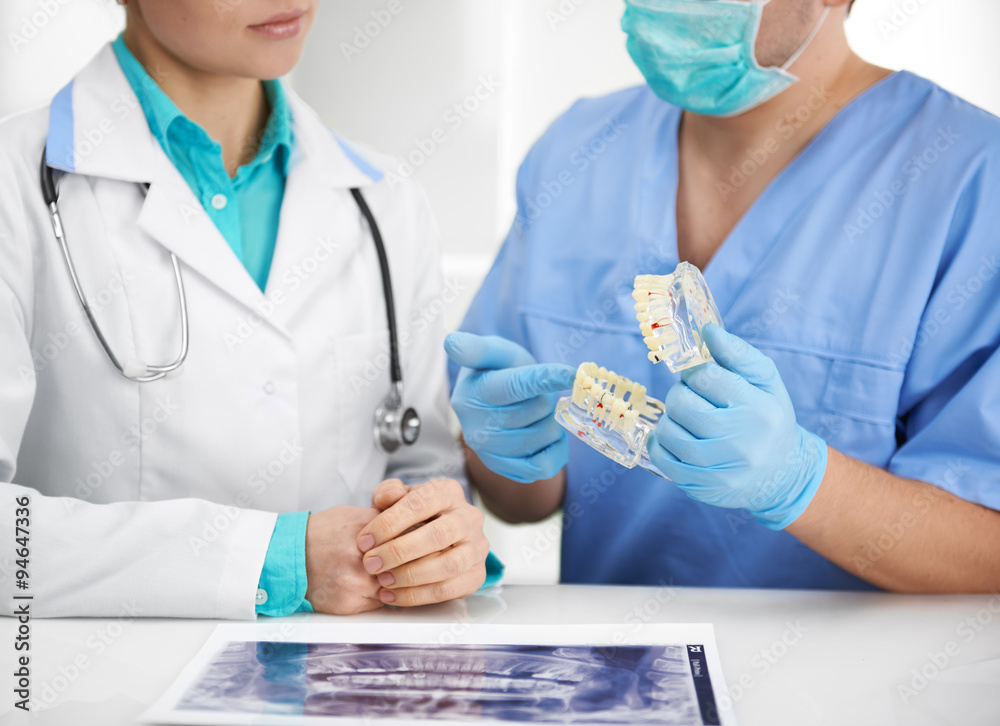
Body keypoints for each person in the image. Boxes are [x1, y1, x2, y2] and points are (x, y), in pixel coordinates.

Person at [448, 0, 1000, 592]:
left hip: (855, 656)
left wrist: (801, 482)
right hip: (611, 650)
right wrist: (504, 447)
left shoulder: (969, 177)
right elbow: (526, 500)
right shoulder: (577, 151)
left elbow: (986, 552)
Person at [0, 0, 495, 620]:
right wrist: (273, 559)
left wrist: (435, 545)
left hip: (345, 674)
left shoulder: (386, 199)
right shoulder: (14, 184)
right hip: (107, 675)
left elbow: (420, 463)